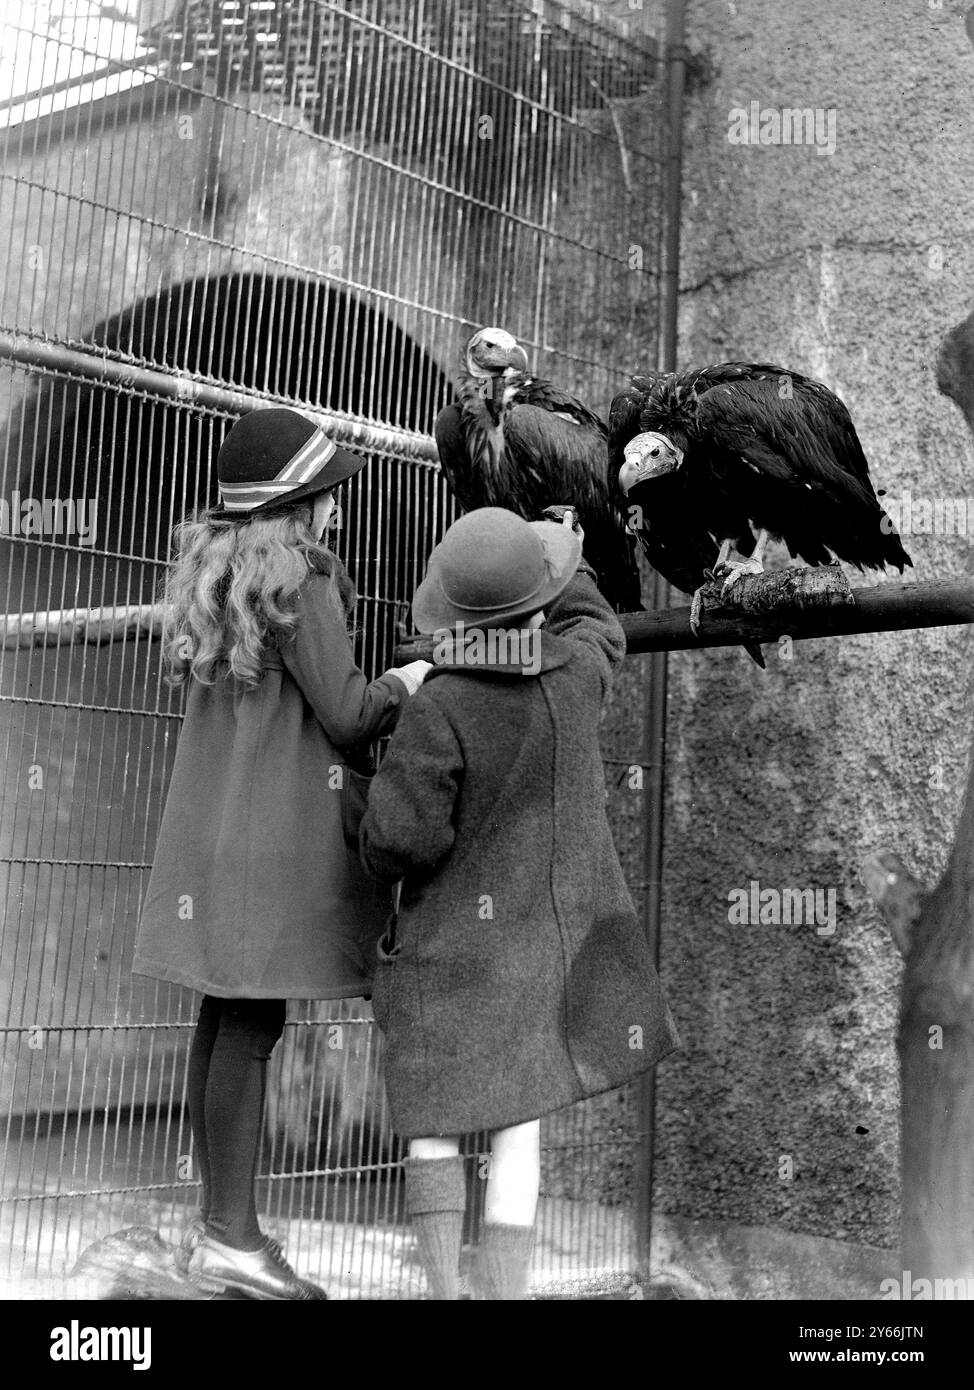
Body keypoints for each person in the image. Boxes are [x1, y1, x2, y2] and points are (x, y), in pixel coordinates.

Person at [133, 407, 431, 1300]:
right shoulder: (303, 579)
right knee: (252, 1026)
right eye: (330, 496)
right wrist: (406, 683)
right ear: (302, 505)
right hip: (273, 845)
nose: (338, 512)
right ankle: (232, 1237)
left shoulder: (218, 576)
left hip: (216, 839)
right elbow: (346, 712)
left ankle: (220, 1224)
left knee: (222, 1021)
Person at [359, 505, 680, 1300]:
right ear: (542, 600)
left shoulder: (439, 702)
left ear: (455, 614)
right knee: (519, 1130)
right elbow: (600, 624)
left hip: (453, 957)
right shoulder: (576, 672)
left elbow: (401, 842)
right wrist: (558, 562)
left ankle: (443, 1292)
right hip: (546, 952)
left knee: (431, 1125)